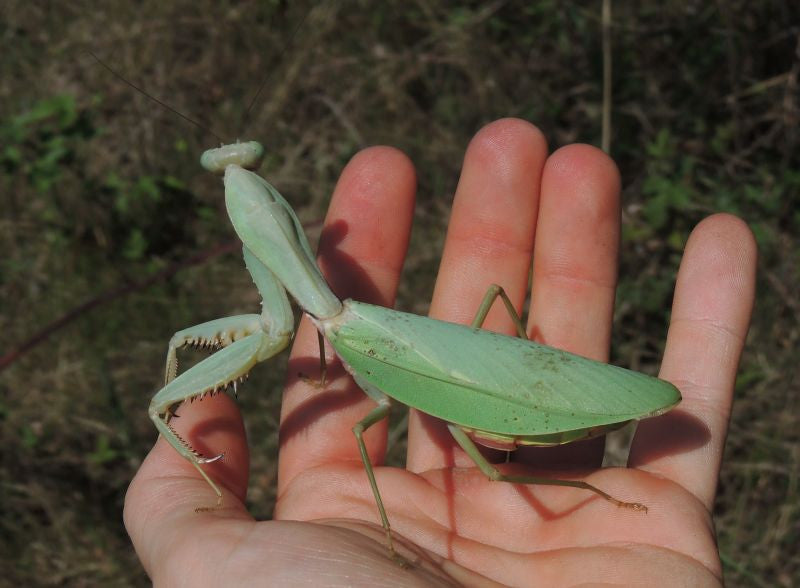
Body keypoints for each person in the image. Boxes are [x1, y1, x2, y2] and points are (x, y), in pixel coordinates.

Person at [124, 119, 755, 586]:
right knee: (494, 301)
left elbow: (277, 324)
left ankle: (599, 496)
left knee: (482, 464)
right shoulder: (343, 317)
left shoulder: (338, 324)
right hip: (438, 366)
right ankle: (591, 478)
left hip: (489, 397)